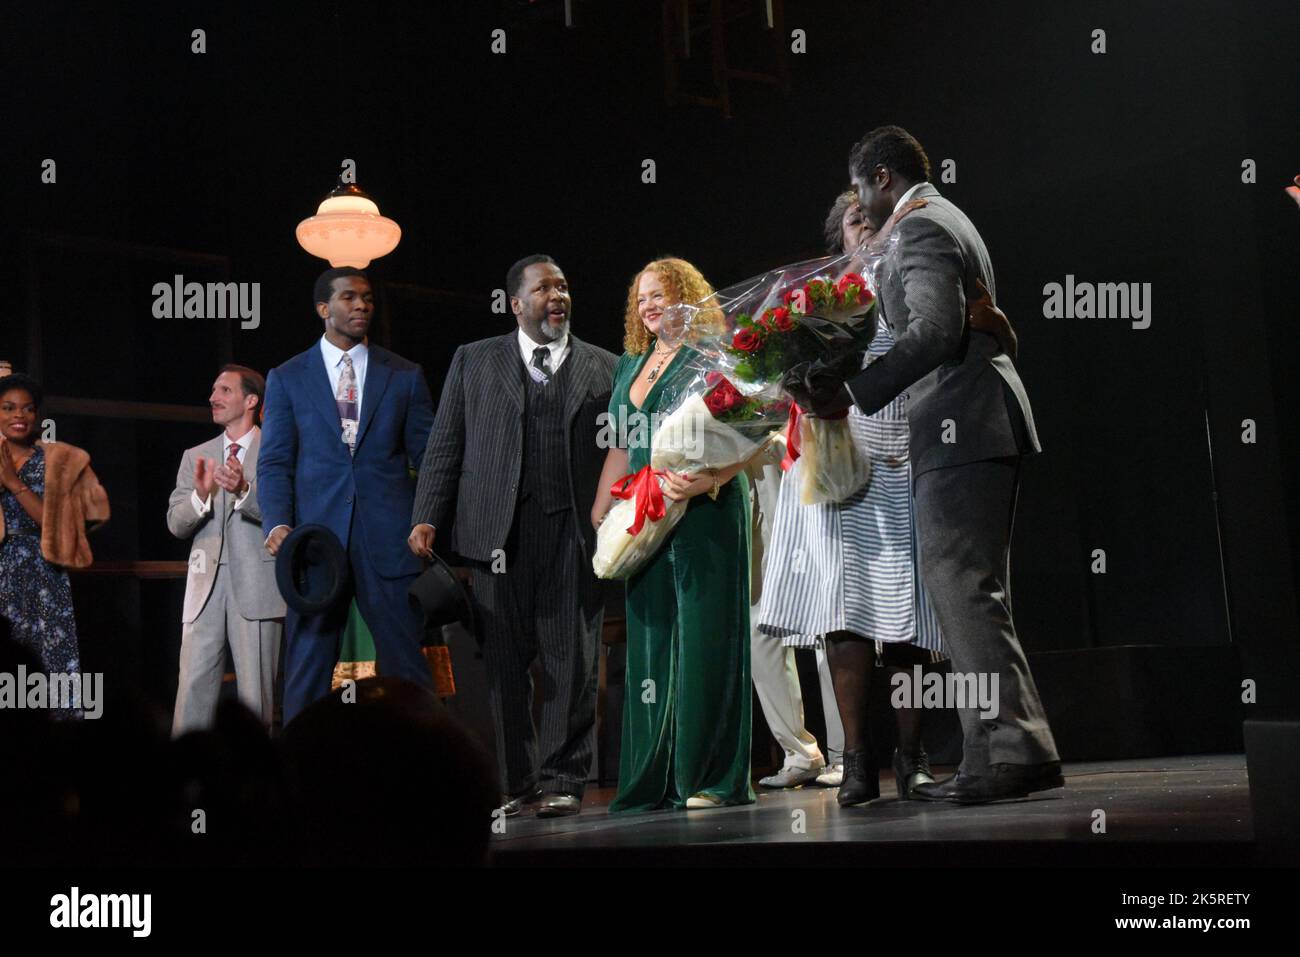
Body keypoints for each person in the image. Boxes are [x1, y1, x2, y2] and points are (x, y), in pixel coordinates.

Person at [788, 126, 1061, 804]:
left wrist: (853, 389)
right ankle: (993, 752)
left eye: (858, 187)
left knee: (964, 588)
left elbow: (936, 330)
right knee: (973, 592)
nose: (858, 201)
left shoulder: (919, 227)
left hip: (961, 421)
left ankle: (1011, 751)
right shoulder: (944, 218)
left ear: (882, 177)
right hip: (969, 420)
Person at [759, 191, 951, 806]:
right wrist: (800, 382)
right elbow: (778, 383)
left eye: (872, 213)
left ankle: (913, 758)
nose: (864, 222)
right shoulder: (814, 305)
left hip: (904, 461)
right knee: (843, 622)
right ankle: (858, 762)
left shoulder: (913, 280)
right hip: (838, 470)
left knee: (908, 625)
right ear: (837, 239)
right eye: (852, 218)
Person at [411, 254, 617, 818]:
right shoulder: (474, 361)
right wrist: (427, 514)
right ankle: (514, 779)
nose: (558, 296)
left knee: (570, 660)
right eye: (545, 288)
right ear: (514, 304)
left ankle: (563, 778)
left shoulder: (606, 366)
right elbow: (445, 443)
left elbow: (624, 453)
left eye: (564, 286)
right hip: (494, 535)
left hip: (574, 534)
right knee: (503, 663)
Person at [593, 257, 755, 813]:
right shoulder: (628, 364)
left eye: (660, 294)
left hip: (705, 508)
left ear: (686, 295)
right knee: (651, 641)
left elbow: (758, 430)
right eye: (641, 299)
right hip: (644, 509)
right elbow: (620, 442)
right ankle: (652, 778)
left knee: (707, 641)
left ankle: (710, 776)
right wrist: (603, 509)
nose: (649, 306)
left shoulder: (714, 354)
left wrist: (712, 477)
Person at [258, 267, 435, 723]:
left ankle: (424, 770)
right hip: (317, 545)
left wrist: (426, 517)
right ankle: (300, 778)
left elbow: (430, 458)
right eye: (350, 298)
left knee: (406, 666)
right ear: (323, 309)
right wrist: (278, 523)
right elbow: (275, 461)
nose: (361, 306)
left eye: (368, 299)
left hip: (390, 540)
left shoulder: (405, 375)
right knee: (307, 668)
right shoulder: (287, 377)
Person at [167, 365, 285, 734]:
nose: (213, 397)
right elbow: (175, 523)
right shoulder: (196, 455)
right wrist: (201, 497)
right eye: (214, 390)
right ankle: (182, 777)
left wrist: (245, 491)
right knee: (192, 689)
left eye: (224, 390)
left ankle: (257, 782)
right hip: (204, 589)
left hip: (258, 586)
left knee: (256, 696)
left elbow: (288, 513)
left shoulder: (276, 451)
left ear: (250, 401)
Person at [0, 373, 109, 719]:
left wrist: (13, 483)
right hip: (2, 570)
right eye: (8, 408)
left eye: (27, 409)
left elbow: (60, 525)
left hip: (44, 571)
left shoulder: (57, 460)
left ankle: (60, 749)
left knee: (52, 662)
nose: (20, 416)